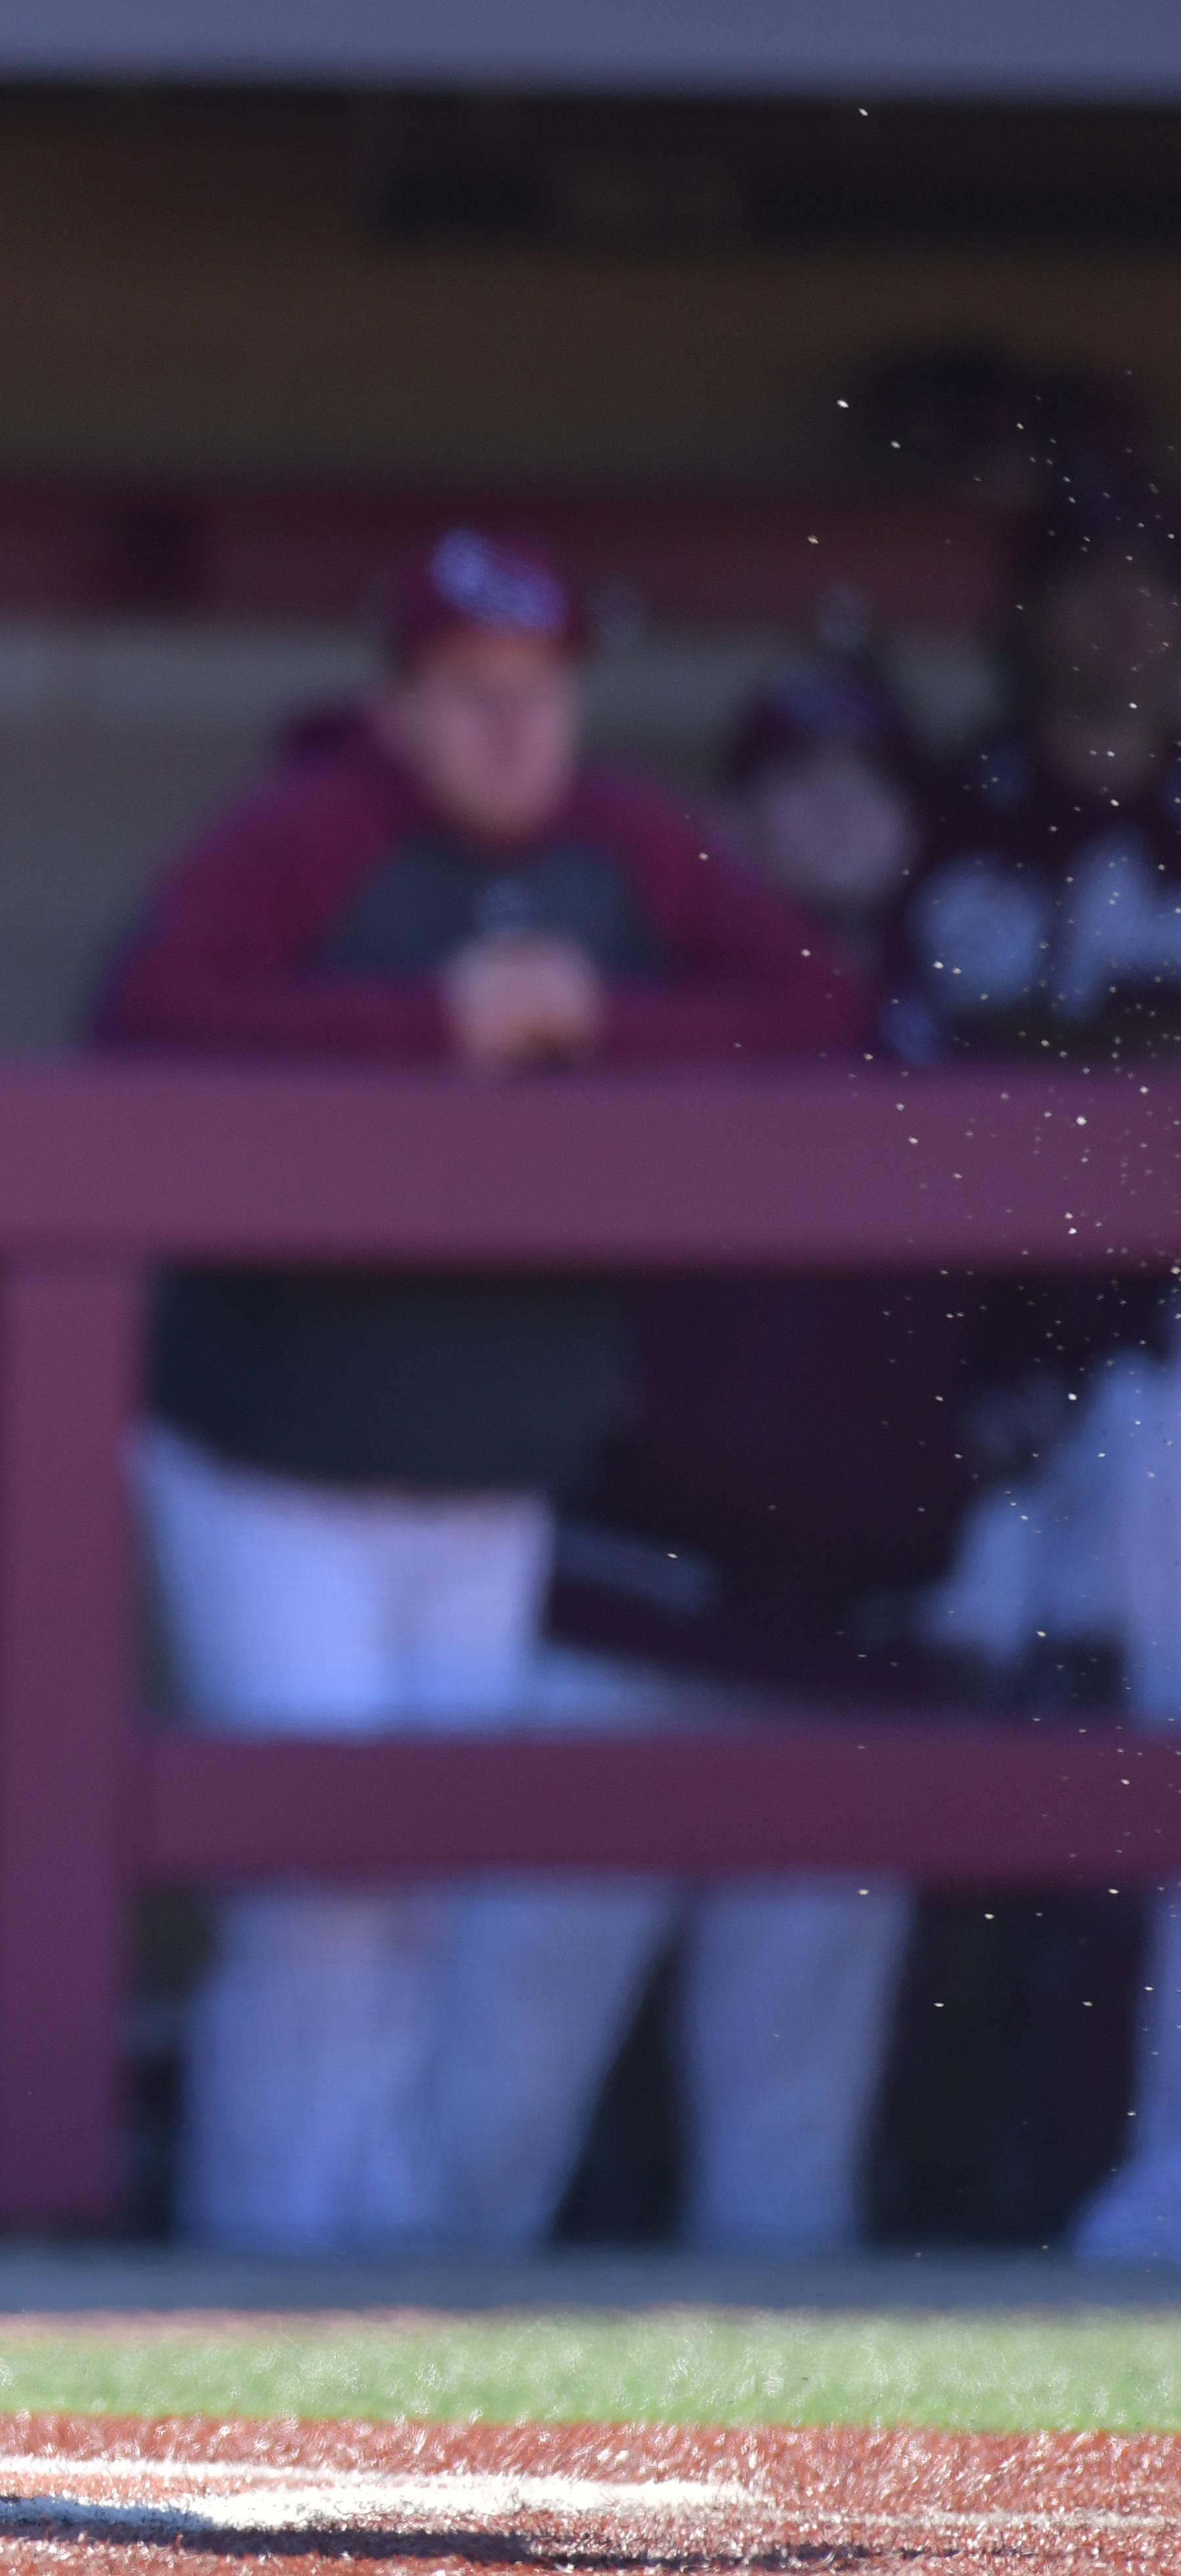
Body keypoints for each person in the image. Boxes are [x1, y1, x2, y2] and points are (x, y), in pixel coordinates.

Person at [92, 527, 865, 2253]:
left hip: (490, 1458)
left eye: (539, 696)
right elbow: (141, 1021)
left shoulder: (623, 844)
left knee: (428, 1882)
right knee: (317, 1885)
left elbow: (819, 1010)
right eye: (470, 697)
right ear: (402, 703)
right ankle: (259, 2263)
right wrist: (421, 1019)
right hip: (271, 1448)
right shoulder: (314, 827)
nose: (511, 734)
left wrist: (590, 1018)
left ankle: (364, 2277)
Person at [420, 649, 957, 2255]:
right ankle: (353, 2469)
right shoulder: (636, 998)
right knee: (486, 2110)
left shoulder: (970, 1040)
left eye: (864, 785)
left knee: (788, 2159)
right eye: (792, 782)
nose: (831, 817)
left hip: (846, 1641)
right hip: (619, 1611)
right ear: (737, 818)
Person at [888, 480, 1181, 2259]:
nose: (1122, 626)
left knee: (1154, 1795)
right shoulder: (950, 814)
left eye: (1154, 589)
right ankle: (961, 2188)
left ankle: (1147, 2179)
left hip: (1167, 1381)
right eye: (1090, 588)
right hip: (974, 1400)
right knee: (960, 1804)